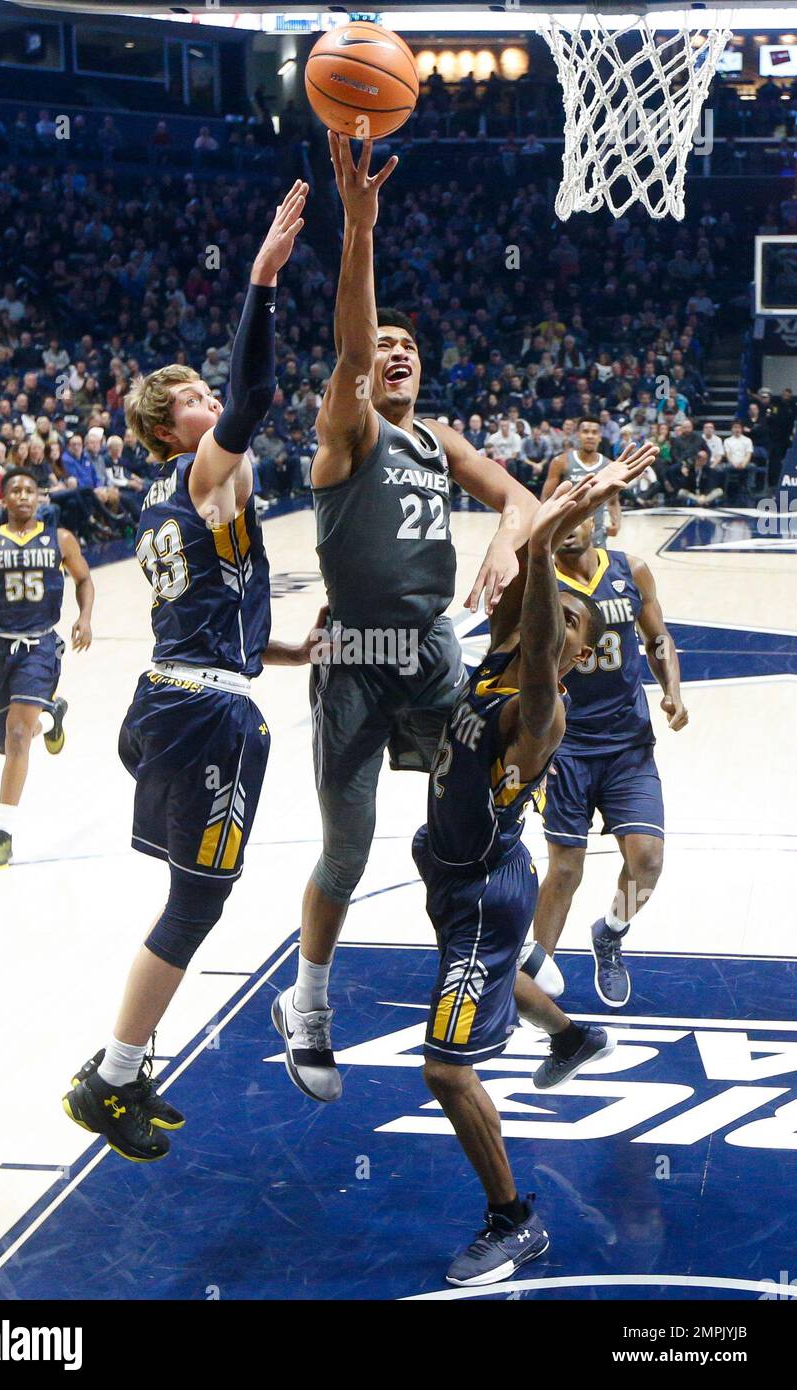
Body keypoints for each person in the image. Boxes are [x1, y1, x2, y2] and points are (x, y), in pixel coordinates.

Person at [272, 138, 546, 1106]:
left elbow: (517, 496)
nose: (393, 353)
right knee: (346, 849)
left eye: (409, 347)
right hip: (354, 654)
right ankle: (307, 1004)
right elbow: (350, 342)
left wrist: (507, 540)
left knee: (478, 813)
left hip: (428, 649)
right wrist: (358, 227)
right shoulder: (348, 427)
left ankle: (502, 973)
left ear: (423, 372)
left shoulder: (439, 438)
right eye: (383, 345)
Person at [62, 183, 318, 1163]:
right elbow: (253, 396)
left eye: (208, 398)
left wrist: (301, 649)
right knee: (195, 902)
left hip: (181, 698)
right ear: (171, 432)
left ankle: (124, 1065)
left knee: (193, 896)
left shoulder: (175, 503)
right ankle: (112, 1076)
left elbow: (226, 633)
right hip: (201, 718)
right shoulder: (205, 477)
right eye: (196, 405)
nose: (216, 409)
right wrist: (260, 278)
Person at [414, 479, 636, 1286]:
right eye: (556, 608)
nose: (554, 620)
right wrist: (542, 509)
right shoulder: (500, 653)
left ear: (576, 653)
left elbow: (541, 636)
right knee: (494, 973)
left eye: (572, 623)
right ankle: (573, 1036)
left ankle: (514, 1222)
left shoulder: (542, 709)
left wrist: (546, 548)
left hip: (485, 889)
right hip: (449, 866)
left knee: (444, 1066)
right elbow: (512, 566)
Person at [531, 513, 688, 1007]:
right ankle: (536, 980)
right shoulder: (537, 585)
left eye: (579, 519)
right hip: (566, 746)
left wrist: (672, 691)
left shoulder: (632, 569)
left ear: (597, 522)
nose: (569, 528)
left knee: (647, 860)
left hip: (627, 744)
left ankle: (611, 931)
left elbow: (657, 637)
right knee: (565, 869)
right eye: (560, 520)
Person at [0, 469, 94, 870]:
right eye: (16, 490)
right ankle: (52, 717)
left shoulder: (60, 539)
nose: (24, 495)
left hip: (39, 645)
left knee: (16, 737)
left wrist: (84, 618)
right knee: (6, 742)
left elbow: (84, 579)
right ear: (5, 500)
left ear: (39, 497)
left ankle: (1, 834)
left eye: (30, 489)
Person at [541, 416, 620, 545]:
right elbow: (546, 498)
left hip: (597, 535)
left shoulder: (609, 466)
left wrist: (616, 523)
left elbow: (613, 502)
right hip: (565, 534)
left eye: (594, 433)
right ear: (578, 435)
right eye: (585, 431)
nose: (590, 436)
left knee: (599, 565)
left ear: (600, 437)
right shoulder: (560, 462)